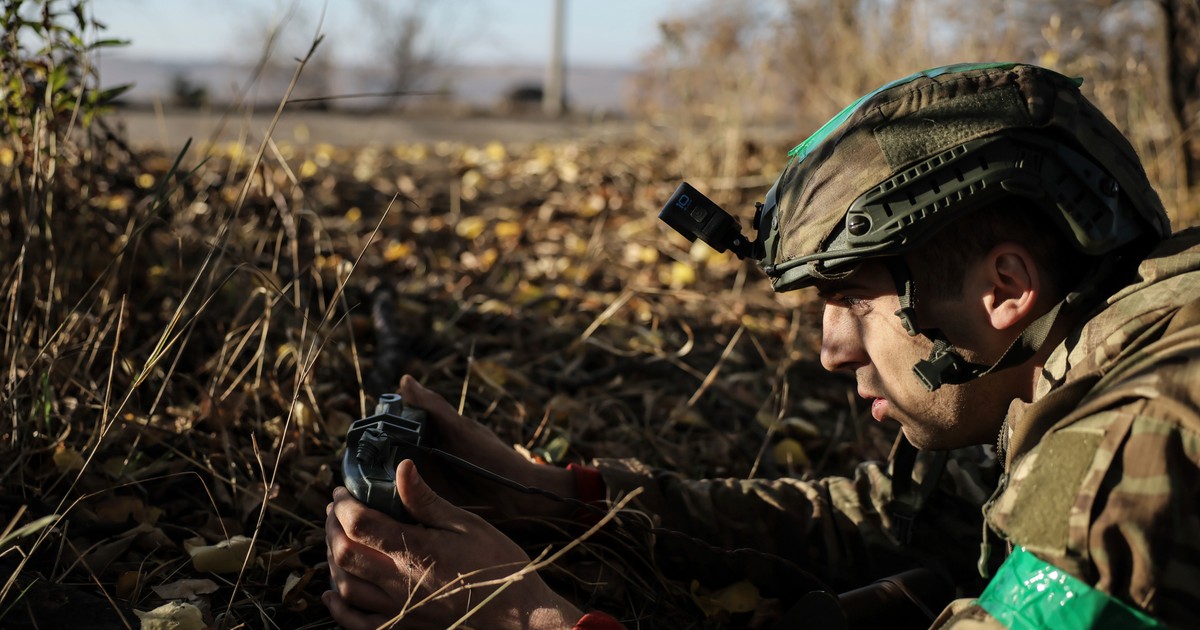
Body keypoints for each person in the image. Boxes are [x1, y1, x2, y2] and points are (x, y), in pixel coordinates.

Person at [324, 63, 1200, 629]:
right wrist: (560, 497)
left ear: (1005, 290)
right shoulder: (1082, 354)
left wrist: (521, 620)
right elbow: (885, 522)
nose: (830, 350)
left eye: (851, 303)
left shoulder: (1125, 455)